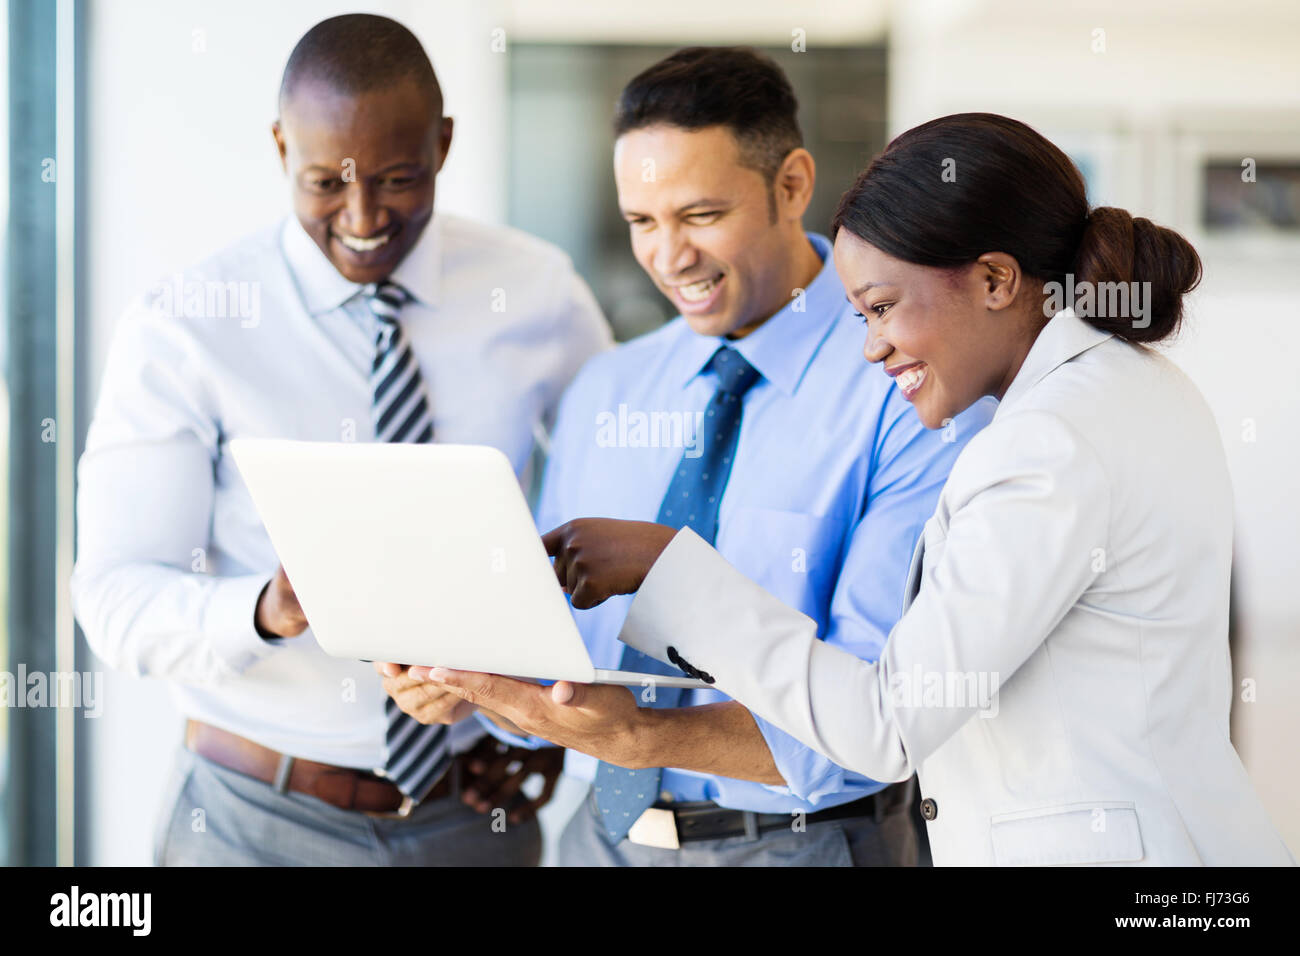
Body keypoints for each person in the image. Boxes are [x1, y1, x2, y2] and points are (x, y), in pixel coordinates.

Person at [429, 113, 1294, 866]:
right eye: (857, 317)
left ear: (996, 280)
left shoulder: (1045, 445)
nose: (872, 349)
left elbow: (886, 727)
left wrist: (671, 571)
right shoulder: (1129, 385)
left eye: (882, 308)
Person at [383, 48, 993, 867]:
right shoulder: (607, 390)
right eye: (642, 222)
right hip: (601, 843)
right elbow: (545, 648)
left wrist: (641, 737)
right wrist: (467, 687)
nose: (669, 256)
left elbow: (876, 720)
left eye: (701, 214)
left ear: (792, 184)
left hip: (806, 847)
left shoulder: (909, 389)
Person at [71, 14, 610, 866]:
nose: (362, 217)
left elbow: (613, 517)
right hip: (254, 822)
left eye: (398, 178)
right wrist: (266, 609)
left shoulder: (534, 291)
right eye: (326, 181)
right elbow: (113, 599)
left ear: (444, 143)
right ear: (281, 147)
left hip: (468, 819)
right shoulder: (187, 327)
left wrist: (547, 720)